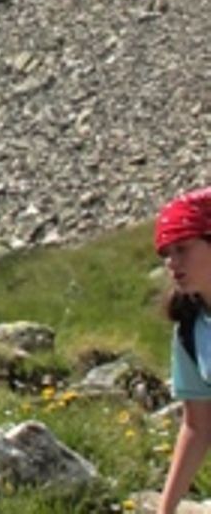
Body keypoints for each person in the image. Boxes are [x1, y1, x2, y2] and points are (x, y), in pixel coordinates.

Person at [158, 186, 211, 511]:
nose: (171, 263)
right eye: (166, 253)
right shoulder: (190, 330)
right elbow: (196, 426)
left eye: (182, 249)